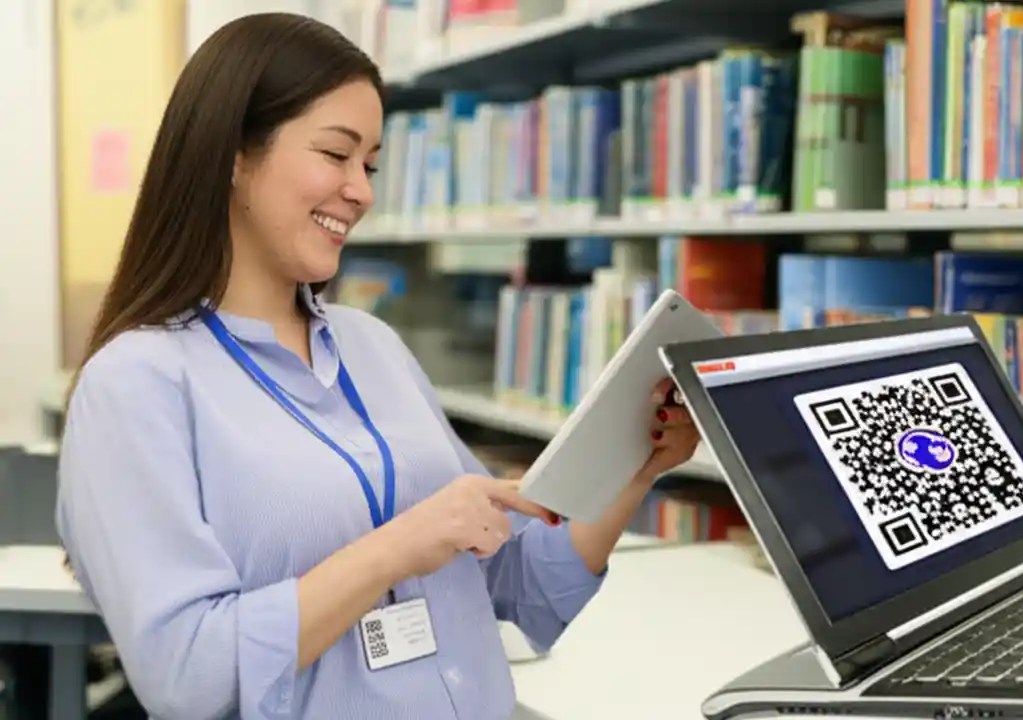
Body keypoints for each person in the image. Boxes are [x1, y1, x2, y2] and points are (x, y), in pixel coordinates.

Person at [54, 12, 699, 720]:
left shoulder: (374, 347)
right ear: (234, 153)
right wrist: (400, 547)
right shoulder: (138, 383)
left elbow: (519, 586)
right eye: (336, 155)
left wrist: (635, 466)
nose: (361, 190)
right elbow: (188, 676)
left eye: (371, 164)